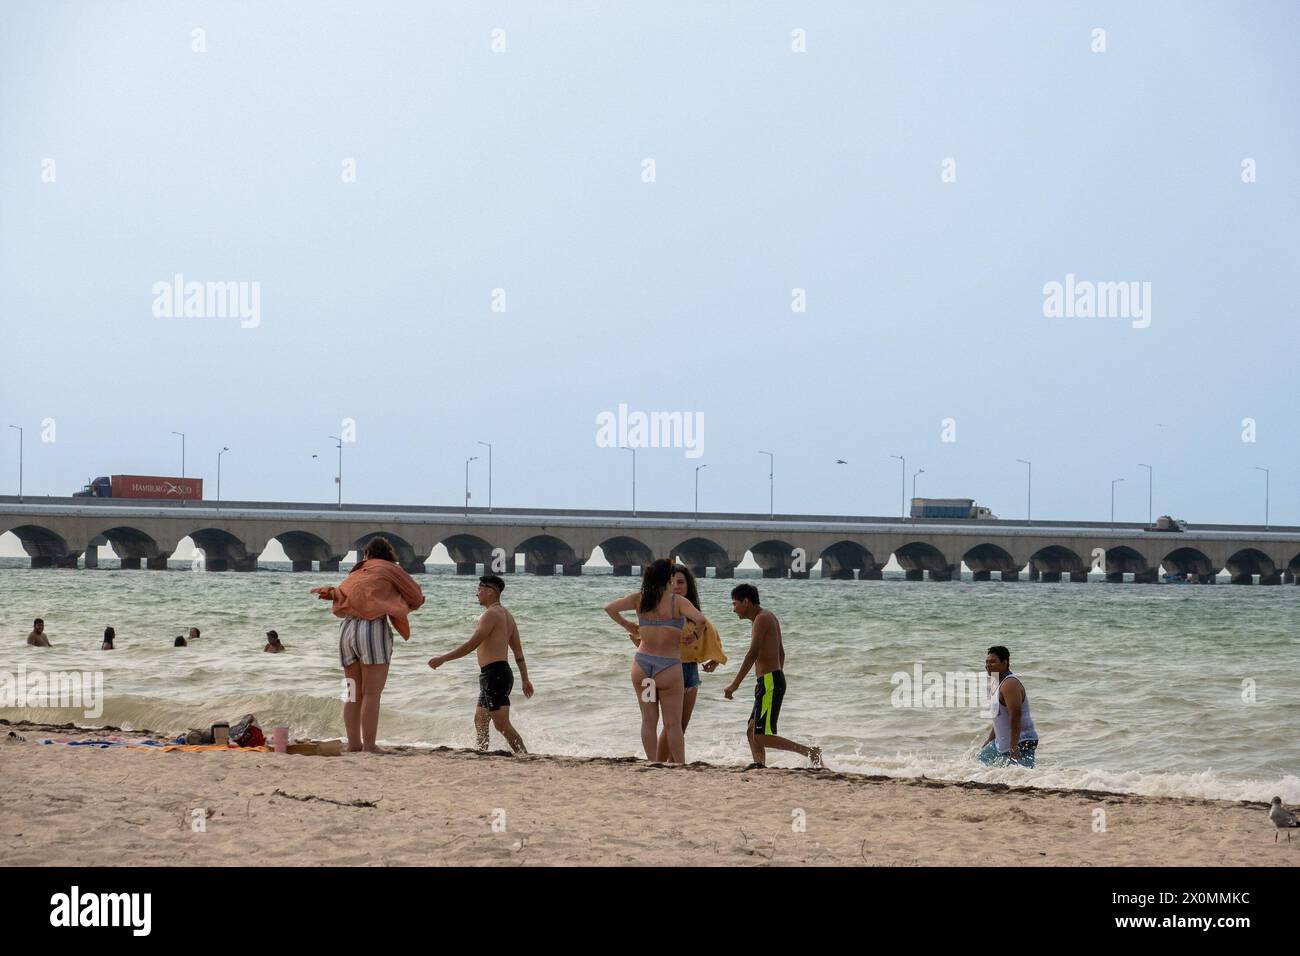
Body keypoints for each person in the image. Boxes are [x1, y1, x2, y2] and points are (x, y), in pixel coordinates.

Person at [311, 537, 426, 754]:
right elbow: (416, 596)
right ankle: (370, 746)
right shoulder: (391, 569)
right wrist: (399, 604)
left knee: (352, 692)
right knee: (372, 693)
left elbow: (343, 595)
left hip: (347, 630)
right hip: (372, 629)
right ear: (388, 554)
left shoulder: (357, 572)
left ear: (366, 555)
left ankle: (354, 743)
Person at [604, 557, 709, 764]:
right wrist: (695, 636)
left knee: (649, 720)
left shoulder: (639, 599)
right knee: (672, 723)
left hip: (643, 665)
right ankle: (679, 764)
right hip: (668, 667)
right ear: (669, 578)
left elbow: (609, 607)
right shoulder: (677, 601)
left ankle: (653, 762)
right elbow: (701, 620)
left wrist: (627, 625)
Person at [428, 575, 533, 753]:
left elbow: (471, 645)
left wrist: (443, 658)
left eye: (479, 589)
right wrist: (525, 679)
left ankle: (524, 755)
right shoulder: (507, 615)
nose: (476, 593)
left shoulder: (491, 614)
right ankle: (481, 751)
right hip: (495, 674)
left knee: (502, 724)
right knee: (481, 719)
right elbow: (519, 654)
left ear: (491, 591)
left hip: (495, 674)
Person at [723, 584, 823, 770]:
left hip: (770, 681)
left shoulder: (762, 619)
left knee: (761, 735)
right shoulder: (766, 617)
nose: (733, 609)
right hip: (770, 680)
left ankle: (810, 752)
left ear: (746, 601)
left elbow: (752, 653)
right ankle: (759, 765)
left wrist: (735, 684)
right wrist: (776, 676)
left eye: (735, 604)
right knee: (752, 730)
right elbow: (781, 653)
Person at [654, 564, 726, 762]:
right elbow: (645, 636)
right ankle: (657, 766)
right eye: (671, 582)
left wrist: (716, 659)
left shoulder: (693, 612)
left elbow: (710, 631)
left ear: (688, 585)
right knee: (671, 725)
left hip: (691, 670)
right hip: (668, 669)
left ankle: (670, 764)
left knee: (681, 726)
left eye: (681, 582)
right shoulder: (661, 610)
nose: (676, 586)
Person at [978, 645, 1039, 767]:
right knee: (981, 760)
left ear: (1005, 663)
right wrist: (990, 740)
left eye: (993, 662)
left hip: (1022, 742)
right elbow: (999, 717)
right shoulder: (996, 684)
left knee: (1022, 776)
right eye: (986, 662)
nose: (988, 665)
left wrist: (1014, 747)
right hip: (1001, 743)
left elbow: (1015, 716)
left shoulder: (1010, 684)